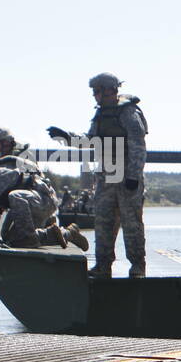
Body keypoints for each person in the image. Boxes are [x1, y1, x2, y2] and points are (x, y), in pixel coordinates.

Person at [48, 72, 148, 278]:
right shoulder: (100, 114)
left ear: (110, 90)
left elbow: (138, 145)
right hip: (106, 174)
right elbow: (90, 141)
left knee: (131, 223)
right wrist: (67, 137)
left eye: (97, 92)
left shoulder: (129, 112)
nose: (95, 96)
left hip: (126, 174)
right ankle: (103, 266)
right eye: (94, 92)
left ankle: (137, 266)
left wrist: (133, 175)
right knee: (103, 221)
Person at [0, 127, 87, 250]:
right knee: (10, 239)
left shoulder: (1, 172)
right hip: (29, 203)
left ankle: (32, 238)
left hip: (42, 201)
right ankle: (68, 234)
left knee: (16, 200)